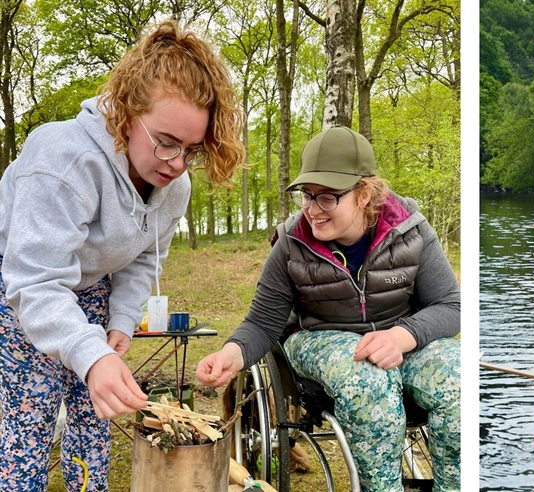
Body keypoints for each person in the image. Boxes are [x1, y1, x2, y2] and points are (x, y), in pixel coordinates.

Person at [0, 20, 244, 491]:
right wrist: (87, 353)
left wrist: (121, 318)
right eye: (167, 142)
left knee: (95, 415)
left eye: (191, 150)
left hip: (90, 286)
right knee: (30, 422)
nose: (177, 163)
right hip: (22, 286)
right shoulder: (63, 159)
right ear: (127, 114)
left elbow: (143, 258)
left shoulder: (175, 188)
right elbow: (34, 280)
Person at [195, 126, 461, 492]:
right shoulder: (291, 243)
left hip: (397, 338)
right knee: (366, 380)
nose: (313, 210)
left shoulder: (410, 231)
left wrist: (403, 335)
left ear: (364, 193)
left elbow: (449, 305)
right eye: (307, 196)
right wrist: (232, 353)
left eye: (327, 198)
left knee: (460, 376)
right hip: (317, 337)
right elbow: (262, 321)